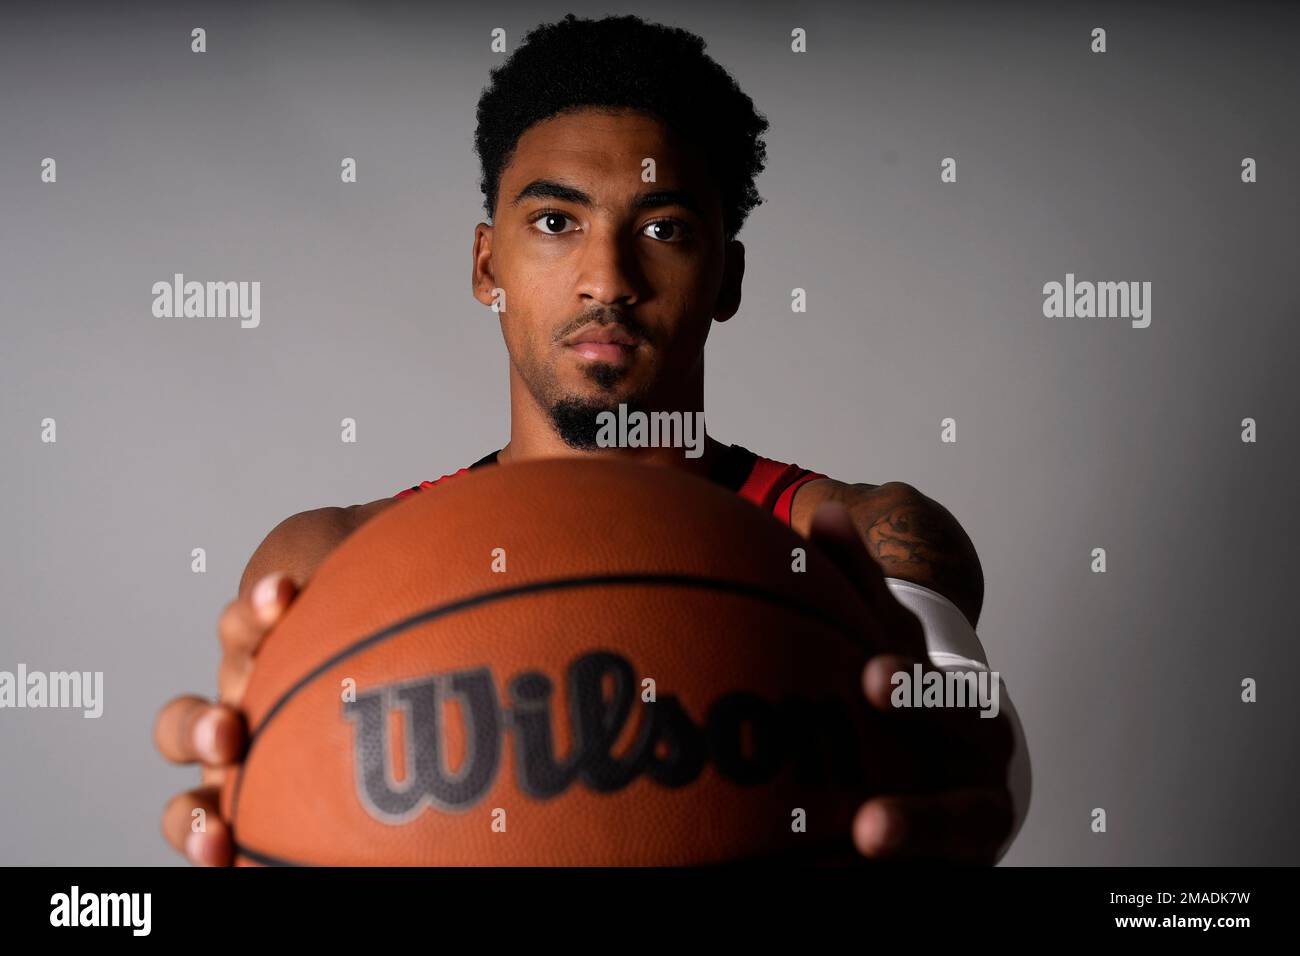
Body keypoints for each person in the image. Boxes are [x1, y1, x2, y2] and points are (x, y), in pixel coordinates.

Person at [154, 13, 1029, 866]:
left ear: (727, 277)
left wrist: (967, 771)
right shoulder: (327, 561)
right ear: (486, 265)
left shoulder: (860, 540)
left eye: (664, 229)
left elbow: (964, 737)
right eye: (556, 222)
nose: (607, 279)